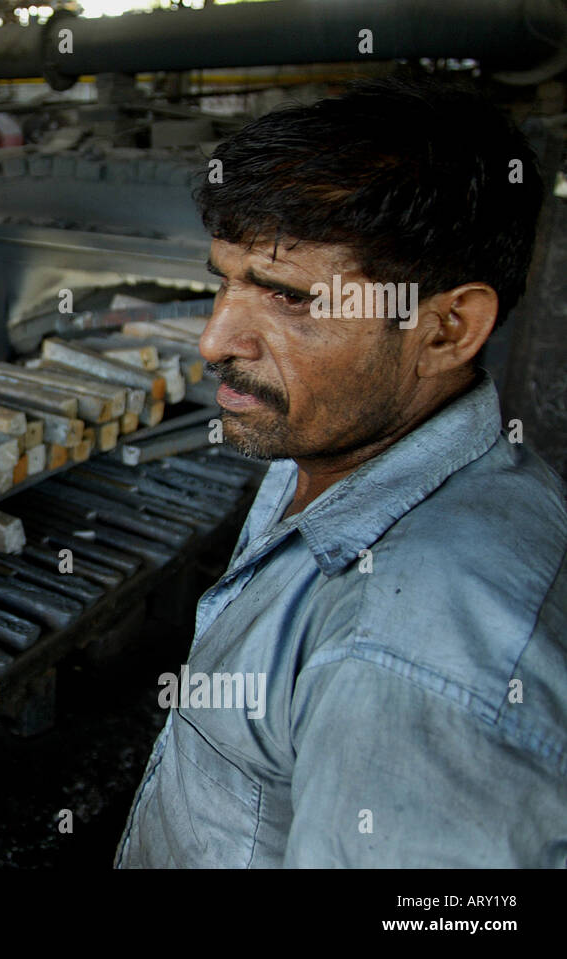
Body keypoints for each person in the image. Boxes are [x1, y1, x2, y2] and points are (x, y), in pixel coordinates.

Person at [115, 76, 567, 868]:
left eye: (288, 296)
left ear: (446, 328)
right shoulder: (334, 443)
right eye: (225, 279)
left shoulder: (403, 665)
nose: (215, 340)